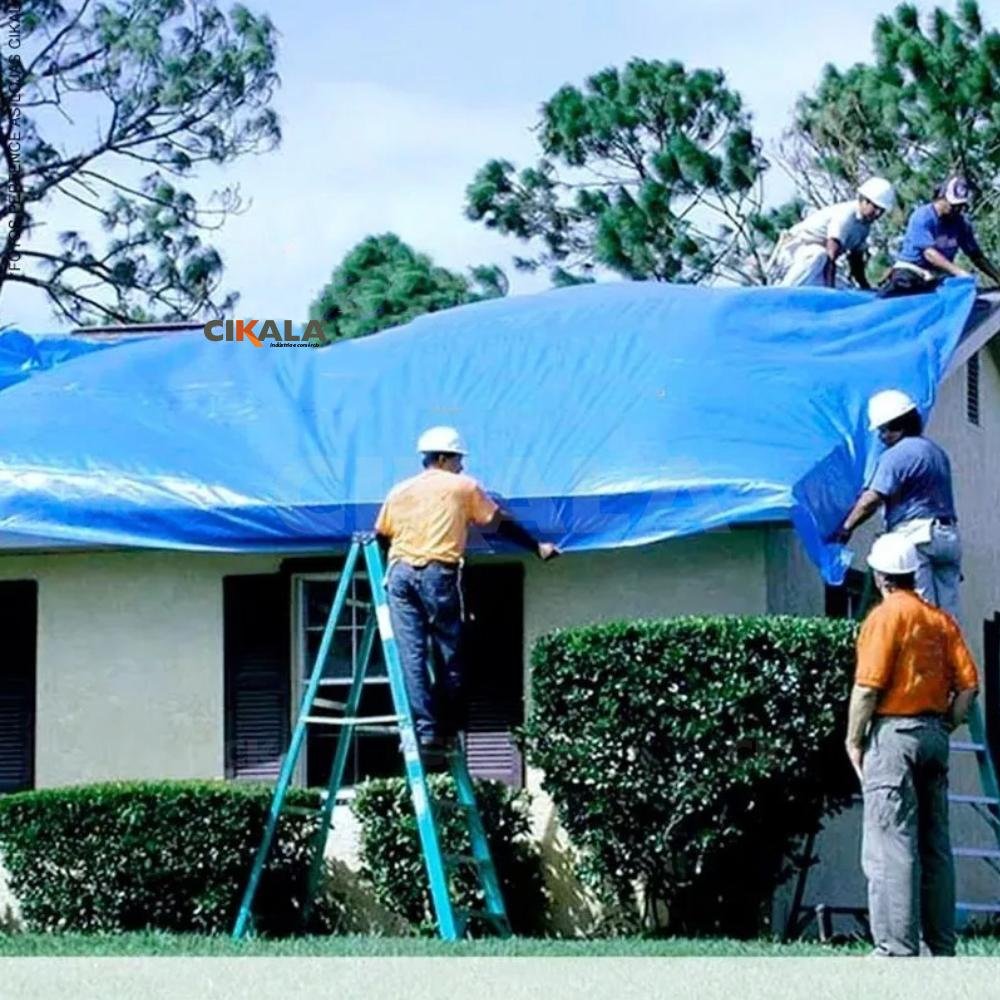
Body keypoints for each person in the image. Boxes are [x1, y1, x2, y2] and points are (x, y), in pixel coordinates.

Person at [375, 426, 558, 762]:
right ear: (443, 457)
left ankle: (426, 730)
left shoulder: (399, 491)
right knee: (450, 652)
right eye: (458, 459)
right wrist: (537, 547)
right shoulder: (464, 487)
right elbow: (496, 522)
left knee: (411, 655)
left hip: (399, 574)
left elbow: (381, 535)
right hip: (437, 573)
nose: (461, 465)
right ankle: (446, 730)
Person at [846, 533, 979, 957]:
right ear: (911, 574)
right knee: (934, 845)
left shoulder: (883, 618)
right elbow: (968, 688)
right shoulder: (939, 621)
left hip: (894, 737)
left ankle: (896, 949)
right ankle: (941, 946)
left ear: (882, 576)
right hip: (934, 735)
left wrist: (854, 741)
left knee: (891, 844)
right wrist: (946, 727)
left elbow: (867, 689)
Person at [832, 389, 961, 621]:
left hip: (918, 536)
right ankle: (949, 656)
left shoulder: (897, 455)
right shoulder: (936, 452)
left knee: (919, 612)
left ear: (896, 425)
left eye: (883, 430)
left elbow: (872, 499)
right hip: (948, 536)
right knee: (947, 617)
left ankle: (923, 657)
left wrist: (846, 527)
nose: (881, 437)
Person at [880, 176, 1000, 298]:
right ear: (942, 198)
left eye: (961, 206)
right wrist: (959, 272)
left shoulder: (961, 224)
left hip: (938, 276)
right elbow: (929, 254)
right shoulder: (922, 217)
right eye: (953, 205)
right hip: (912, 271)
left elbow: (976, 256)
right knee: (905, 287)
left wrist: (997, 277)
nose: (957, 209)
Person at [768, 178, 895, 288]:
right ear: (864, 201)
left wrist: (865, 287)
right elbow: (831, 253)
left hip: (817, 264)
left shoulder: (864, 226)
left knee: (845, 288)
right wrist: (830, 291)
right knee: (818, 255)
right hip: (795, 254)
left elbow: (856, 261)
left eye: (881, 210)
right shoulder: (846, 216)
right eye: (876, 208)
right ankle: (783, 294)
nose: (878, 214)